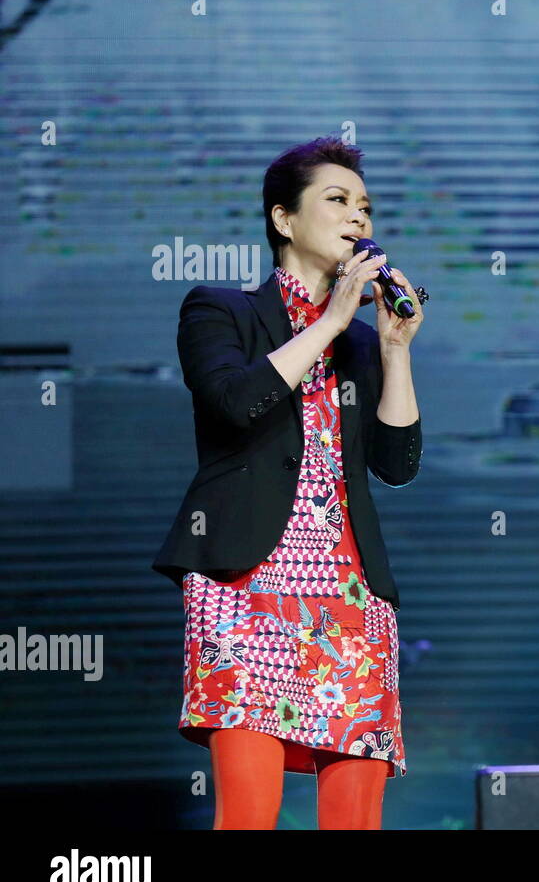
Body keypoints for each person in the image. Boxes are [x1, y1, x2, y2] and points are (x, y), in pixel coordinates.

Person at [152, 136, 424, 828]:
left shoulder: (363, 342)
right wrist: (334, 318)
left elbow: (397, 464)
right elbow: (235, 403)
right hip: (245, 585)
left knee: (355, 816)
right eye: (337, 201)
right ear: (283, 220)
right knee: (248, 813)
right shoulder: (221, 310)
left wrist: (392, 349)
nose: (358, 218)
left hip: (349, 594)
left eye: (364, 206)